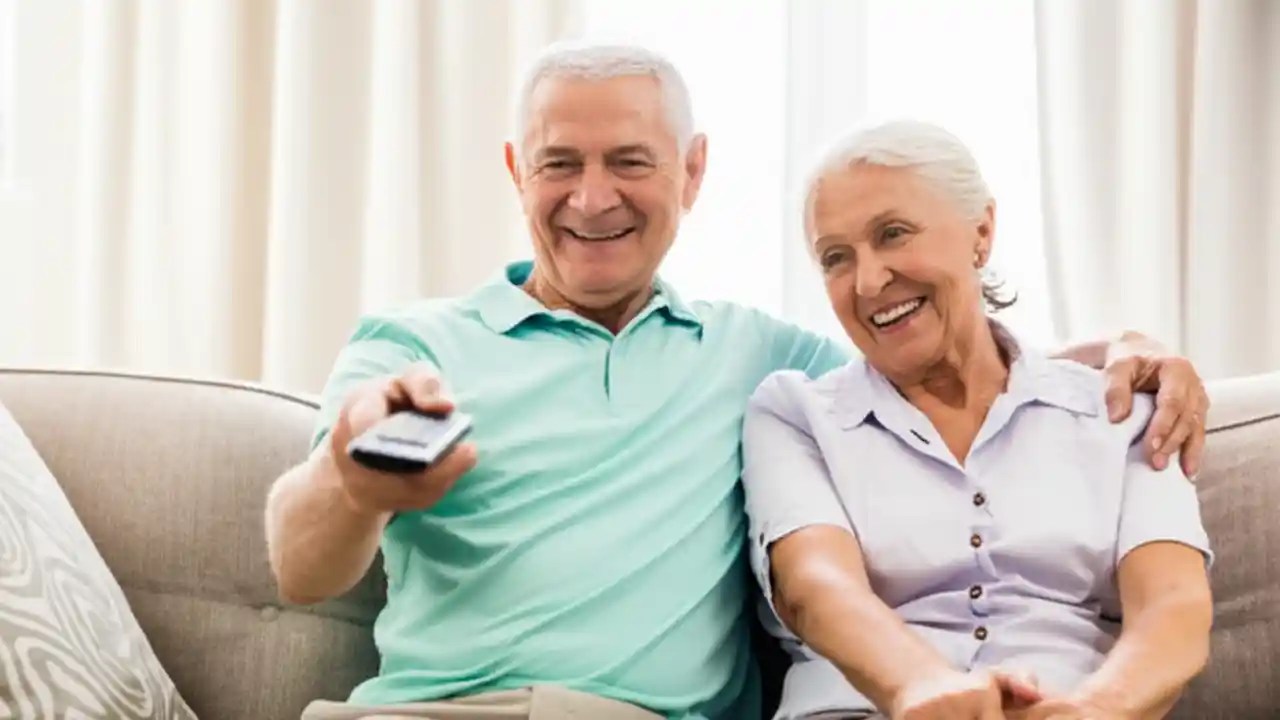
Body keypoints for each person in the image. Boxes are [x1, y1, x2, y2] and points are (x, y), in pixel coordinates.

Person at [264, 42, 1212, 720]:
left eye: (629, 162)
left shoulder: (762, 362)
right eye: (560, 164)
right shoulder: (414, 343)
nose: (592, 199)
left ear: (693, 171)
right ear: (518, 172)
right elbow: (301, 567)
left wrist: (1126, 350)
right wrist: (352, 476)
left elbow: (926, 350)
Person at [741, 120, 1214, 720]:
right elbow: (815, 586)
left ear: (981, 233)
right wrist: (921, 688)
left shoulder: (1121, 407)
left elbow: (1173, 604)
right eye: (836, 258)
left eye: (893, 234)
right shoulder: (795, 414)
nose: (868, 281)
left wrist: (1096, 710)